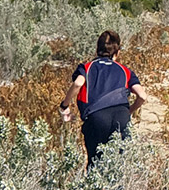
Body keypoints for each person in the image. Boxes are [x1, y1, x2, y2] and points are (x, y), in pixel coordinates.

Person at [58, 30, 147, 167]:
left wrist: (65, 106)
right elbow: (142, 96)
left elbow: (77, 84)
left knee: (95, 164)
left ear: (97, 50)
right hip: (121, 118)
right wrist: (129, 111)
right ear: (117, 53)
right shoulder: (125, 70)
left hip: (97, 118)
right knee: (119, 166)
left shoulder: (87, 67)